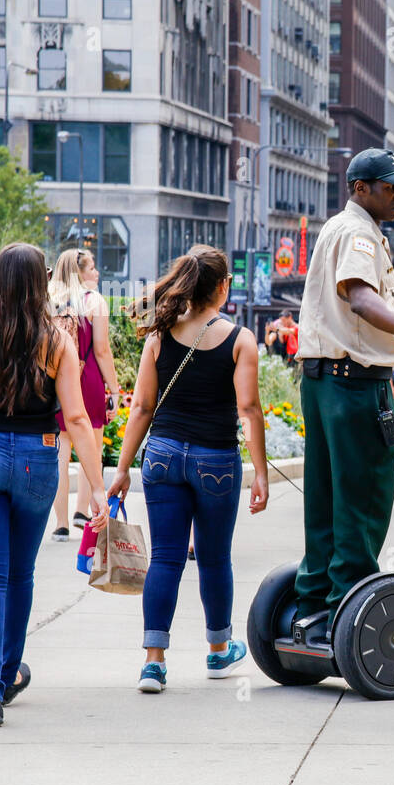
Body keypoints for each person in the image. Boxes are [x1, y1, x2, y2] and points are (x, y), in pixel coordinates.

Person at [0, 243, 108, 726]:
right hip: (37, 459)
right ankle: (8, 673)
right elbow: (75, 416)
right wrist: (96, 486)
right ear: (41, 282)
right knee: (20, 575)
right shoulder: (57, 340)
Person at [293, 148, 394, 626]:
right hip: (353, 385)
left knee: (326, 499)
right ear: (361, 188)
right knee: (362, 500)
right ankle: (346, 605)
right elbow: (359, 298)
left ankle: (314, 599)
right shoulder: (358, 232)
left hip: (326, 381)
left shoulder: (343, 228)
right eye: (389, 185)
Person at [109, 246, 268, 692]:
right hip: (215, 459)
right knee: (215, 558)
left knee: (166, 557)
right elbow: (249, 408)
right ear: (220, 287)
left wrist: (122, 469)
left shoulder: (159, 335)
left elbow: (141, 407)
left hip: (160, 455)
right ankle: (219, 652)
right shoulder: (240, 339)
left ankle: (153, 663)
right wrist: (260, 472)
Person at [48, 248, 118, 542]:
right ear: (81, 273)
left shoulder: (49, 303)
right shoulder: (95, 302)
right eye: (92, 269)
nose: (97, 274)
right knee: (92, 446)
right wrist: (114, 389)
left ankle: (61, 524)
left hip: (57, 380)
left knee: (60, 454)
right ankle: (82, 511)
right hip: (86, 379)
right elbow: (101, 351)